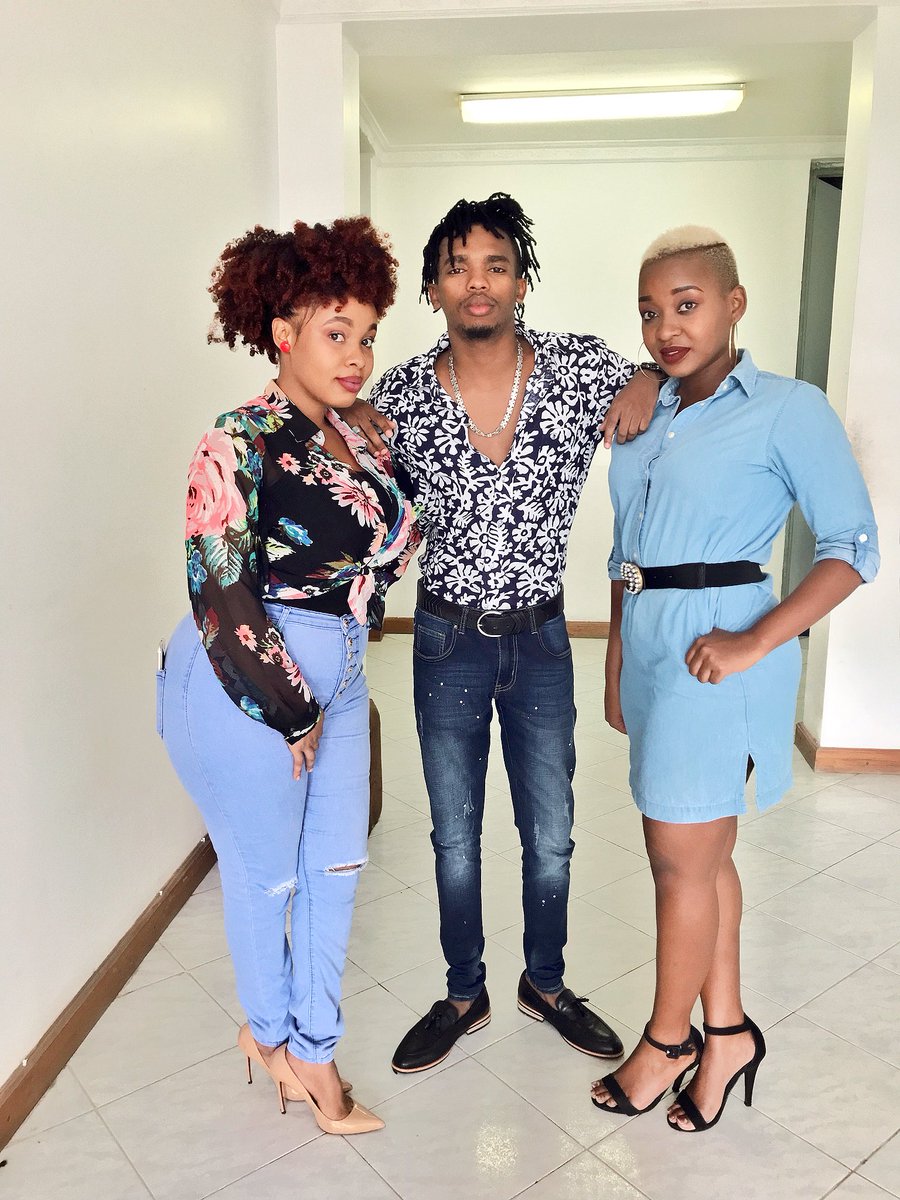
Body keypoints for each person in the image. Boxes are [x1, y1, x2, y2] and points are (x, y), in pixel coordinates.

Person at [349, 193, 660, 1074]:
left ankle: (546, 984)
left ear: (521, 281)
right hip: (446, 640)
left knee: (551, 830)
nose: (477, 282)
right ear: (434, 289)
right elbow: (346, 466)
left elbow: (672, 369)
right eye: (457, 268)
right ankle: (464, 992)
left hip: (543, 642)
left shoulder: (577, 368)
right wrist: (351, 418)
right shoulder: (400, 393)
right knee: (454, 834)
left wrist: (646, 374)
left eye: (495, 265)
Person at [591, 226, 879, 1132]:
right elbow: (626, 548)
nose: (666, 327)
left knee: (678, 861)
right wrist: (615, 661)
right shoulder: (646, 410)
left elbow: (853, 547)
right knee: (703, 857)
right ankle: (727, 1035)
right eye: (650, 313)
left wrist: (757, 641)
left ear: (734, 303)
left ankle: (666, 1041)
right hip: (650, 644)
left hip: (717, 651)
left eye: (687, 305)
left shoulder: (789, 409)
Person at [160, 216, 419, 1136]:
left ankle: (316, 1046)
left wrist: (370, 441)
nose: (357, 355)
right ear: (282, 333)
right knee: (265, 876)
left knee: (338, 867)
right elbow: (219, 585)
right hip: (247, 683)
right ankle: (271, 1037)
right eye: (335, 332)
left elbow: (385, 550)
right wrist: (288, 708)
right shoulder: (237, 439)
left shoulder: (361, 437)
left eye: (368, 335)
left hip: (340, 674)